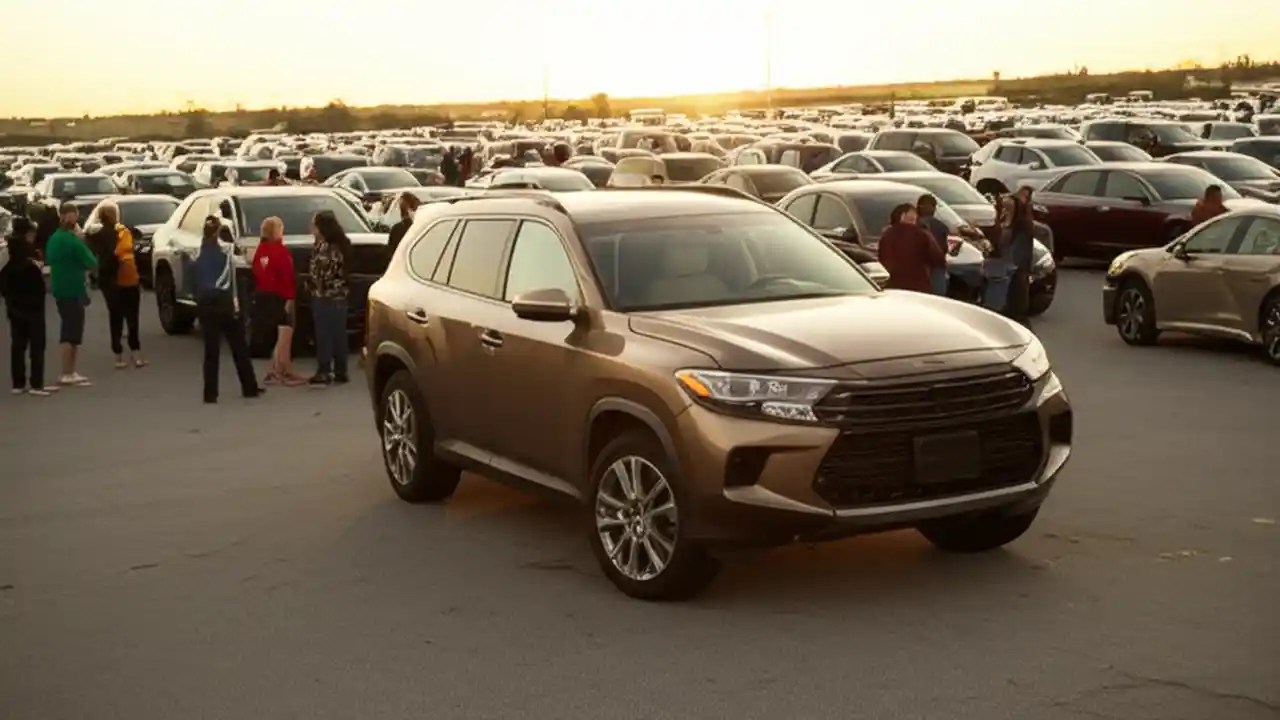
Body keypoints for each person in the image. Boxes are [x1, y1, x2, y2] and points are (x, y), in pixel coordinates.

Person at [192, 215, 261, 403]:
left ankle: (210, 393)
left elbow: (193, 283)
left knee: (211, 352)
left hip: (206, 306)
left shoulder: (197, 255)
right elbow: (240, 272)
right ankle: (249, 387)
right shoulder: (227, 252)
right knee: (238, 346)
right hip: (225, 303)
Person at [0, 218, 57, 396]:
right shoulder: (28, 254)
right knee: (37, 344)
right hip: (32, 304)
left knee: (18, 344)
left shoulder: (6, 251)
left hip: (14, 304)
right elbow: (36, 275)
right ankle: (36, 384)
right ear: (26, 233)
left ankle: (18, 383)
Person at [87, 202, 146, 369]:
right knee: (132, 317)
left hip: (110, 281)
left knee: (115, 317)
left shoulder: (96, 235)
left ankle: (118, 355)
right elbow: (130, 253)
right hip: (128, 278)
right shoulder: (123, 232)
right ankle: (136, 354)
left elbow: (95, 255)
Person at [44, 202, 97, 387]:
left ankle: (70, 371)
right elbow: (91, 261)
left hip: (59, 287)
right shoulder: (71, 239)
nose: (76, 219)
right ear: (67, 216)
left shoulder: (53, 238)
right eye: (74, 215)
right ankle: (67, 371)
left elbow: (49, 258)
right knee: (72, 332)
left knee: (69, 327)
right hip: (73, 287)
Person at [251, 216, 304, 386]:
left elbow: (256, 271)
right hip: (278, 295)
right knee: (285, 333)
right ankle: (277, 369)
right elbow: (286, 276)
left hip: (262, 295)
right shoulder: (281, 251)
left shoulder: (260, 250)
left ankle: (283, 368)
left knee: (277, 332)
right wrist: (289, 298)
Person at [308, 211, 351, 386]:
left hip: (325, 296)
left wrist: (311, 285)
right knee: (339, 334)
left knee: (324, 334)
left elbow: (321, 274)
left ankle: (324, 370)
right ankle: (341, 370)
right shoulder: (342, 244)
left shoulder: (325, 247)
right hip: (340, 296)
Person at [878, 203, 946, 293]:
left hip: (893, 287)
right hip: (919, 287)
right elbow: (938, 257)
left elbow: (883, 260)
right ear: (903, 216)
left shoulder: (886, 235)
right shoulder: (922, 234)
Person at [916, 194, 950, 295]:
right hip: (936, 266)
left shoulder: (912, 225)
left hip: (918, 267)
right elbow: (944, 248)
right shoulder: (941, 226)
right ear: (934, 208)